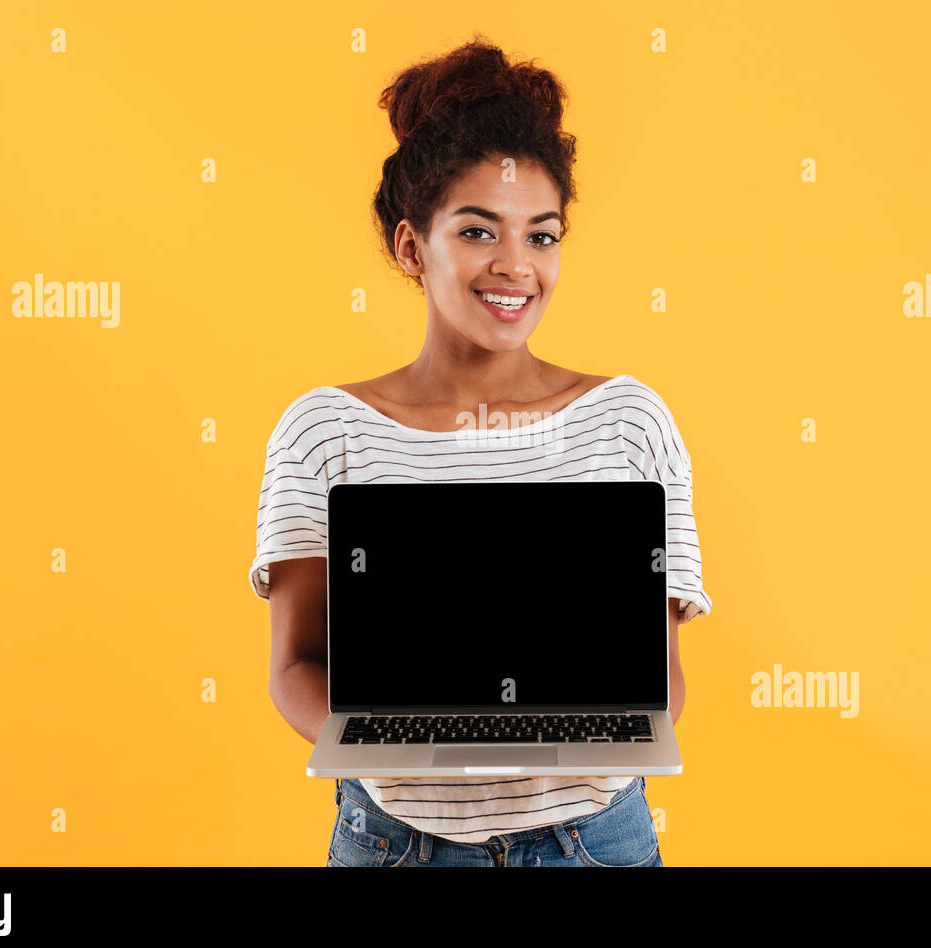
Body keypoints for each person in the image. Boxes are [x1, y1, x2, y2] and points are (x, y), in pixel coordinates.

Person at [249, 34, 712, 866]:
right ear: (409, 247)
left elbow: (662, 676)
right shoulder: (325, 432)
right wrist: (391, 745)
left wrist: (595, 737)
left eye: (542, 235)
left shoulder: (631, 422)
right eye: (477, 231)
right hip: (396, 845)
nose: (514, 266)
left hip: (594, 844)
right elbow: (295, 665)